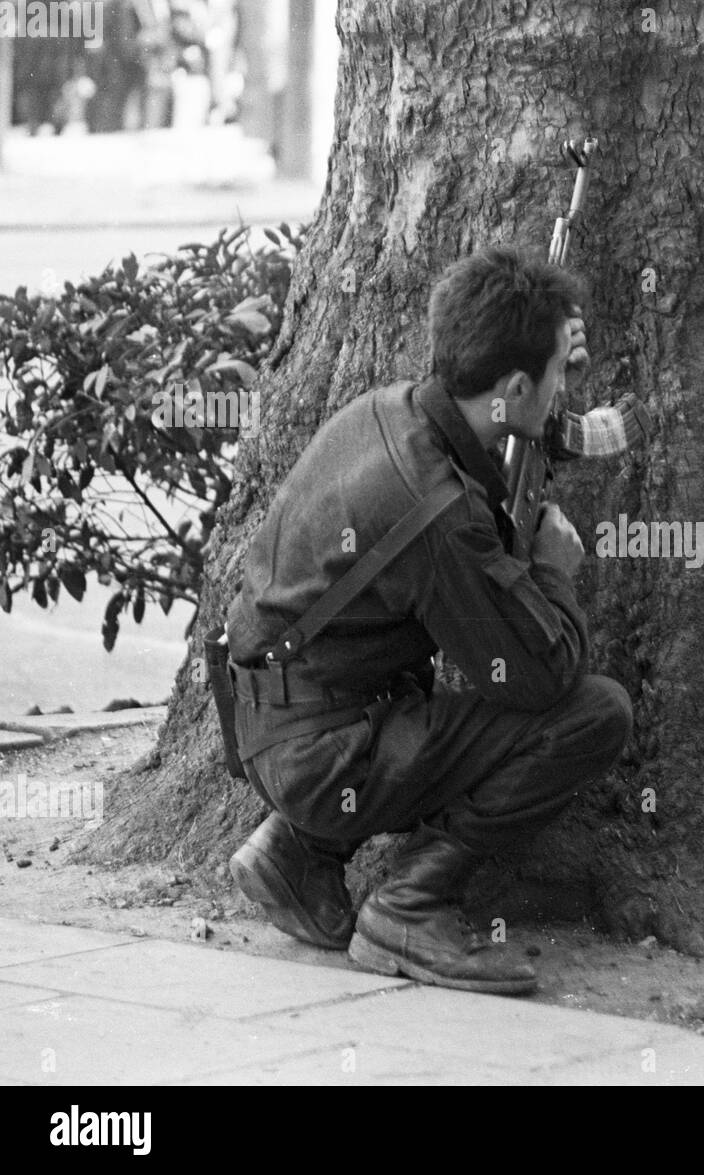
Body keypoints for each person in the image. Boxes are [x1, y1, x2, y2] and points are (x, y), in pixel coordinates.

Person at [224, 245, 633, 996]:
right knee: (593, 712)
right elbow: (537, 674)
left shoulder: (395, 410)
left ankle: (298, 852)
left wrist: (548, 397)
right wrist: (551, 572)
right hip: (319, 753)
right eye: (549, 379)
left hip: (276, 718)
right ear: (513, 385)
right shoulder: (438, 514)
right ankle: (410, 904)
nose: (557, 394)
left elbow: (475, 501)